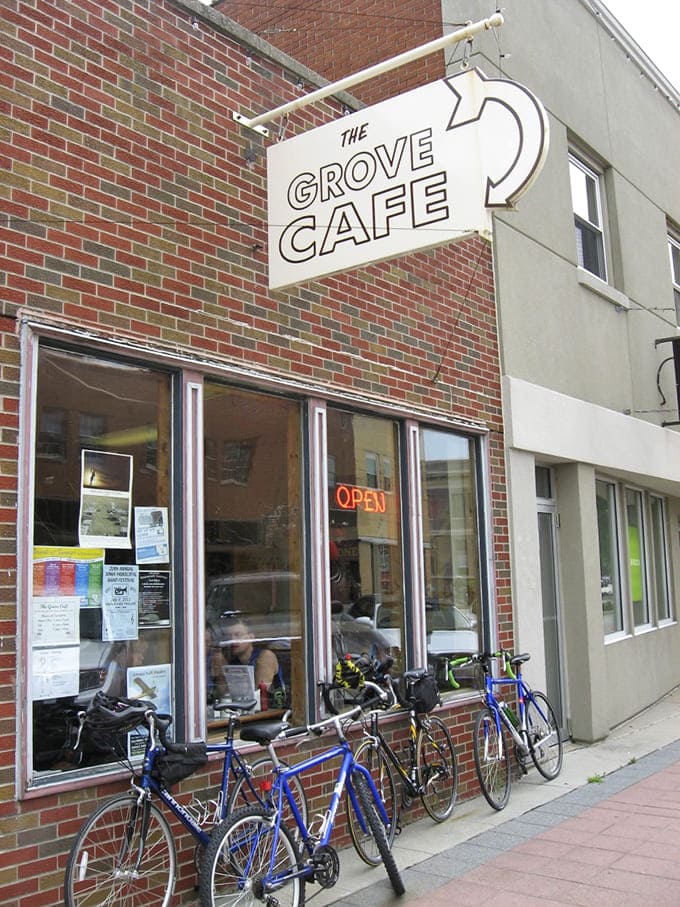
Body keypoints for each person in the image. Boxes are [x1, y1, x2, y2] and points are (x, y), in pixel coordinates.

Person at [224, 618, 282, 689]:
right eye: (229, 636)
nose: (232, 640)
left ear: (251, 637)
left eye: (238, 635)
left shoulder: (265, 656)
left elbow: (260, 694)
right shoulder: (233, 661)